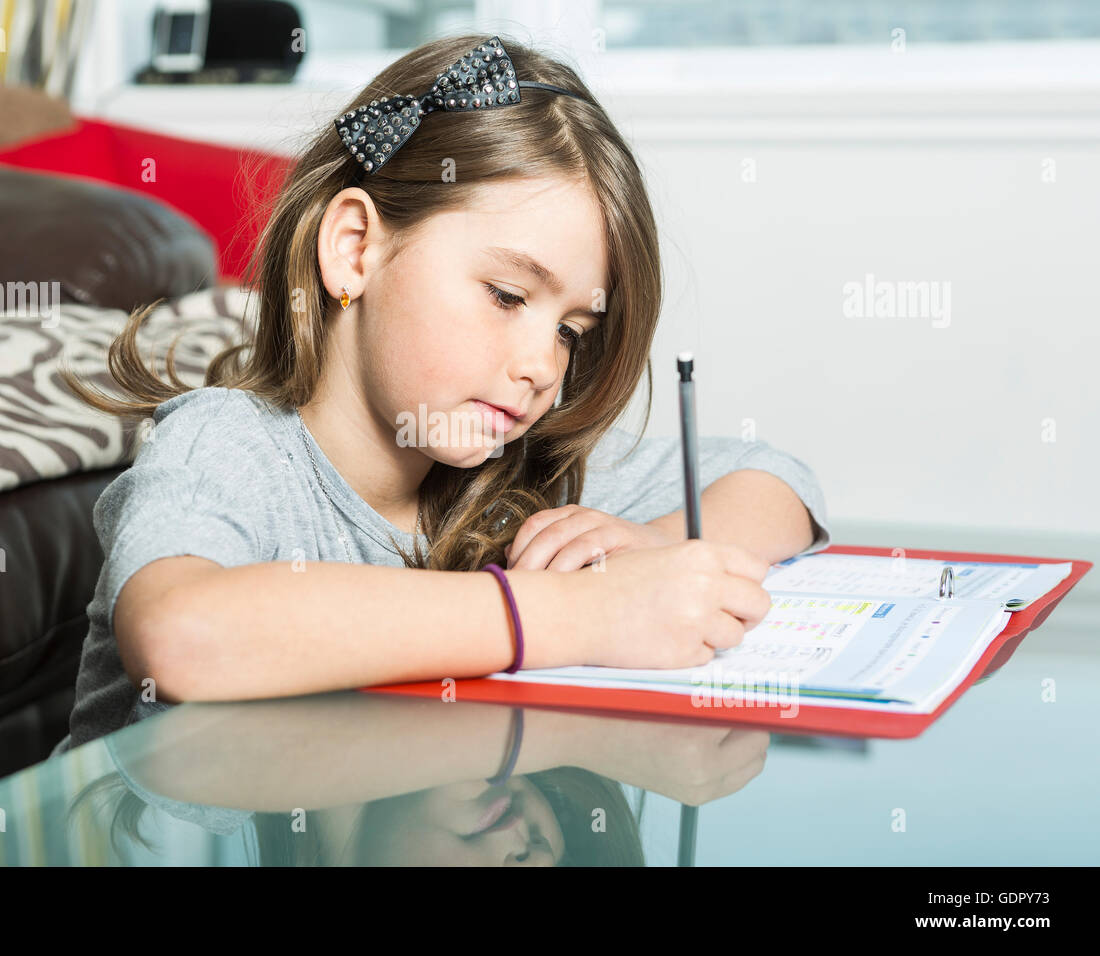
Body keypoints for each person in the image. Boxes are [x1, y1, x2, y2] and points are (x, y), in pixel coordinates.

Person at [50, 33, 830, 756]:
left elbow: (776, 483)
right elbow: (186, 635)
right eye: (505, 294)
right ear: (355, 250)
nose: (543, 368)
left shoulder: (513, 479)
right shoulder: (226, 444)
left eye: (572, 331)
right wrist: (581, 614)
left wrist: (650, 551)